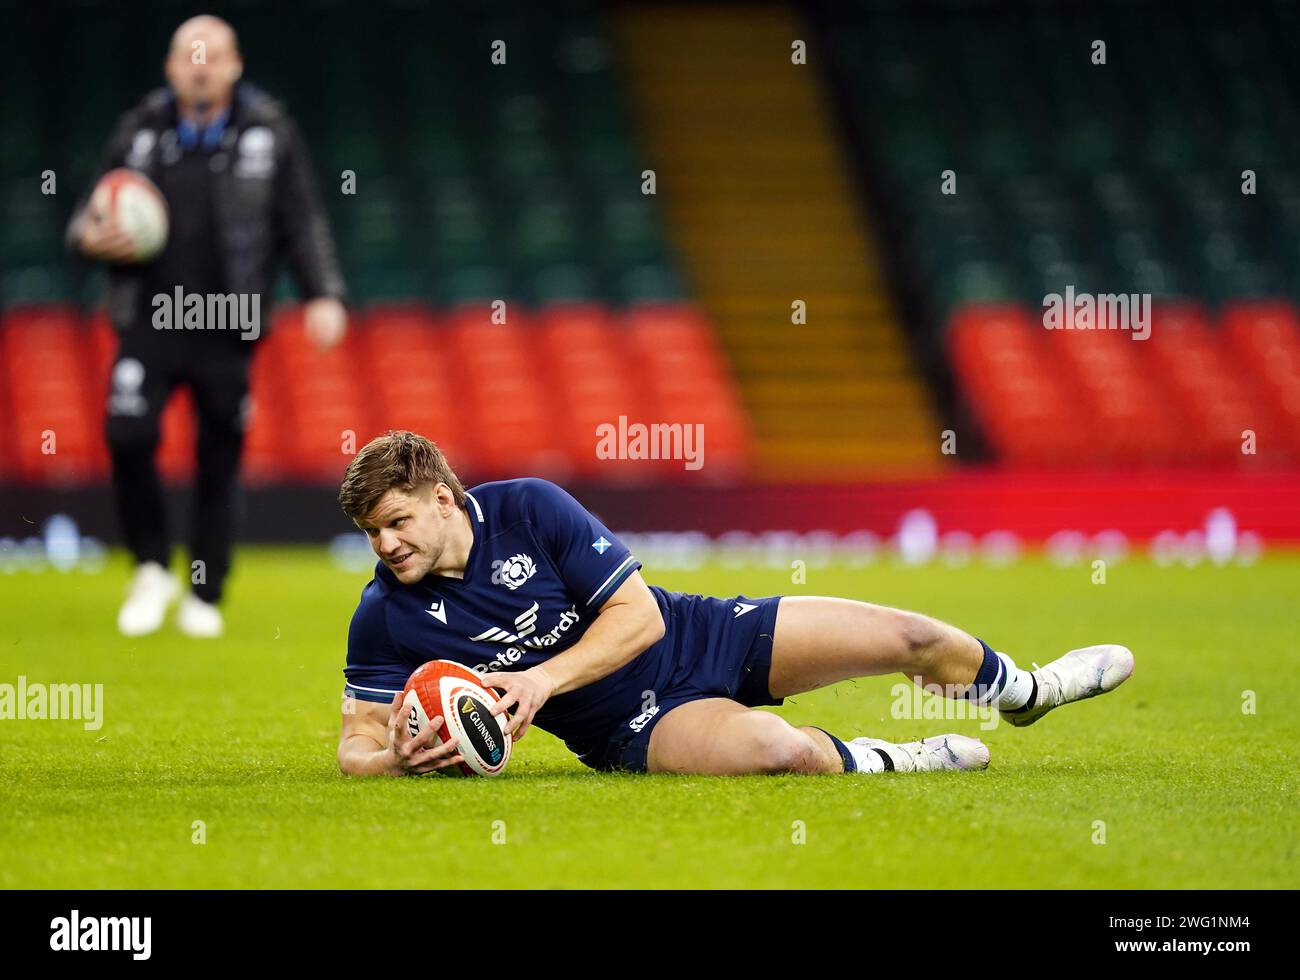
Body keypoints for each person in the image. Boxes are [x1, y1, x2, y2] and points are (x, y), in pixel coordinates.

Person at [336, 431, 1135, 777]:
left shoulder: (529, 508)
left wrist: (540, 681)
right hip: (629, 727)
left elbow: (640, 617)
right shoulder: (384, 614)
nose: (386, 546)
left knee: (911, 635)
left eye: (396, 522)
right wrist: (395, 760)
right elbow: (356, 744)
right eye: (373, 533)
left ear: (442, 498)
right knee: (778, 750)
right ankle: (901, 758)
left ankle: (1028, 692)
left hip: (701, 633)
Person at [67, 15, 347, 638]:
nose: (200, 65)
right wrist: (89, 236)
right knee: (127, 432)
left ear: (234, 65)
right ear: (170, 67)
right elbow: (86, 218)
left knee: (218, 456)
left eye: (213, 56)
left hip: (229, 322)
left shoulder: (269, 132)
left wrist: (322, 293)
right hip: (149, 318)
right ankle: (149, 568)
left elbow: (301, 221)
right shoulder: (140, 127)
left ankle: (205, 590)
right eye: (189, 56)